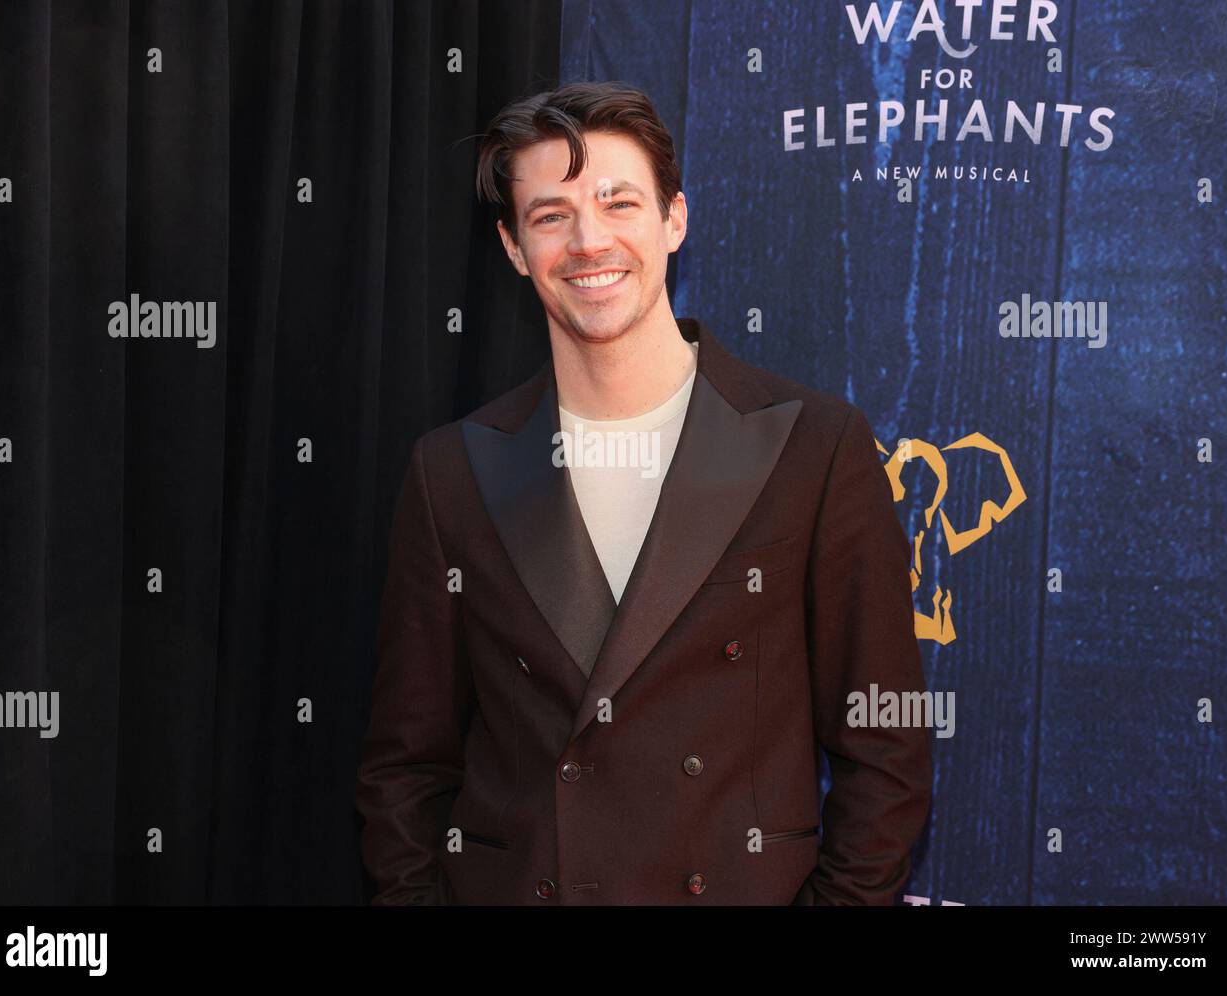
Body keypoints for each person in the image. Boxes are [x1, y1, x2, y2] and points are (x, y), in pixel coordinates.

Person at [354, 80, 932, 905]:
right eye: (551, 215)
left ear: (674, 220)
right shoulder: (452, 473)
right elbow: (407, 769)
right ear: (516, 248)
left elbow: (886, 748)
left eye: (619, 202)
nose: (589, 241)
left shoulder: (814, 446)